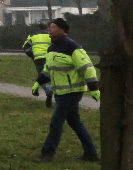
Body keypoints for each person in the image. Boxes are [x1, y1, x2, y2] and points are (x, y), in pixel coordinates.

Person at [37, 17, 100, 163]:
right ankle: (91, 153)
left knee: (56, 121)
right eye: (49, 27)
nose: (49, 30)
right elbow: (48, 69)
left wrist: (94, 89)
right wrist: (38, 82)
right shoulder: (51, 48)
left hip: (72, 92)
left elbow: (87, 68)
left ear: (62, 30)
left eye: (52, 27)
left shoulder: (73, 47)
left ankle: (48, 153)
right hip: (60, 93)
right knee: (75, 122)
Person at [23, 21, 54, 108]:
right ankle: (58, 96)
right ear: (47, 27)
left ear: (38, 28)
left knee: (42, 77)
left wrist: (32, 56)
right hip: (50, 59)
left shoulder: (32, 36)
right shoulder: (50, 35)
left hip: (38, 60)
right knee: (53, 77)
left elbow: (26, 48)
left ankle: (48, 91)